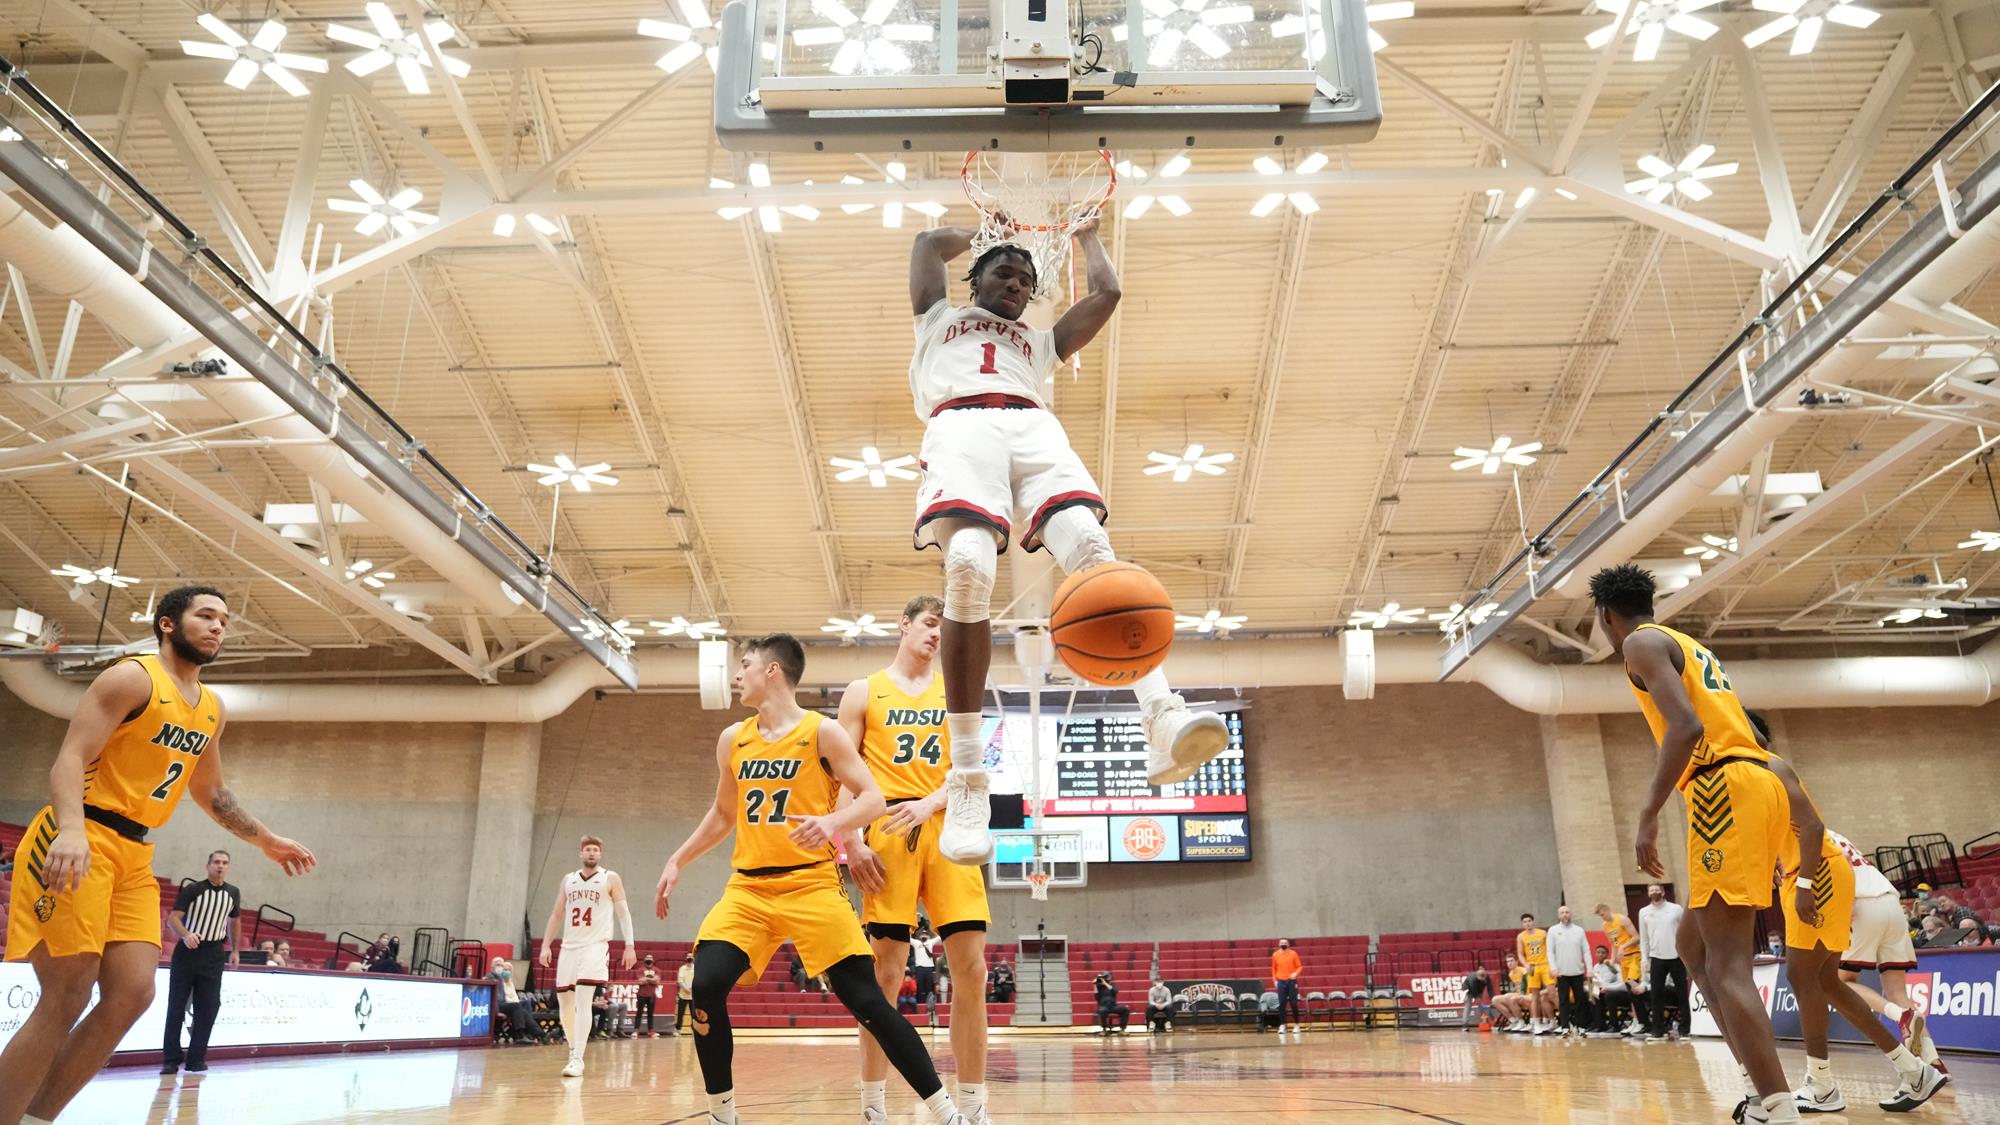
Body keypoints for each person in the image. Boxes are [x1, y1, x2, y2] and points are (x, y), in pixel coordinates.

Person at [905, 220, 1229, 865]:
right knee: (968, 567)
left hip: (1033, 429)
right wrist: (993, 227)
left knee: (1091, 550)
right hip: (962, 425)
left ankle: (1161, 714)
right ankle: (969, 775)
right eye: (1005, 275)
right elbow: (925, 245)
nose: (1017, 287)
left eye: (1026, 282)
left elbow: (1107, 295)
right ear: (979, 279)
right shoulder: (938, 316)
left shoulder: (1039, 341)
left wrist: (1086, 238)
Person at [0, 585, 315, 1125]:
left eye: (224, 620)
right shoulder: (133, 677)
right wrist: (71, 830)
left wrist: (263, 839)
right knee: (68, 992)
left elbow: (211, 793)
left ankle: (36, 1118)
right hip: (81, 835)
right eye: (206, 616)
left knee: (133, 993)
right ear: (168, 623)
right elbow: (69, 758)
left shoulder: (210, 708)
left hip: (134, 853)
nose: (219, 627)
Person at [653, 634, 973, 1125]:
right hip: (749, 891)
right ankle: (723, 1114)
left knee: (869, 1002)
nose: (738, 676)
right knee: (706, 983)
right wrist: (678, 860)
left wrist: (832, 825)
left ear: (773, 671)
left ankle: (946, 1112)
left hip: (812, 884)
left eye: (745, 665)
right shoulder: (732, 739)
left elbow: (871, 797)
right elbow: (722, 813)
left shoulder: (821, 732)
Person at [1592, 563, 1801, 1123]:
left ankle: (1780, 1107)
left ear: (1606, 616)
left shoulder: (1638, 643)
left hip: (1721, 787)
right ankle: (1761, 1090)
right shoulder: (1683, 641)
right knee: (1694, 946)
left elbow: (1685, 727)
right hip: (1755, 781)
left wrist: (1647, 812)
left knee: (1729, 962)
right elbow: (1738, 728)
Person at [1735, 712, 1948, 1113]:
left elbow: (1813, 828)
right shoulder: (1751, 774)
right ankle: (1914, 1072)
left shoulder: (1767, 764)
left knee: (1803, 977)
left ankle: (1823, 1085)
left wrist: (1804, 884)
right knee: (1828, 982)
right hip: (1813, 874)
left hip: (1818, 875)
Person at [539, 835, 639, 1078]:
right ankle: (573, 1049)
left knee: (584, 999)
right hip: (569, 947)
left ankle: (577, 1059)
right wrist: (545, 946)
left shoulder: (610, 877)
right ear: (580, 854)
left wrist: (630, 945)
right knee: (565, 1004)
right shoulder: (568, 880)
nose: (591, 853)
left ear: (600, 854)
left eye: (595, 850)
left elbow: (623, 914)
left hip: (595, 945)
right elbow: (556, 915)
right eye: (587, 849)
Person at [161, 849, 242, 1074]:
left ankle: (196, 1059)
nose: (220, 866)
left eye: (225, 862)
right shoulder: (193, 890)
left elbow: (234, 922)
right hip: (188, 951)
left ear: (229, 867)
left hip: (214, 952)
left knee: (208, 1007)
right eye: (216, 862)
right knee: (177, 1005)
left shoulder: (233, 893)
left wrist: (235, 950)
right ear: (207, 866)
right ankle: (170, 1059)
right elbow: (173, 918)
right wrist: (186, 934)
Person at [1638, 883, 1689, 1040]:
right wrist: (1644, 958)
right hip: (1656, 957)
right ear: (1648, 894)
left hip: (1676, 956)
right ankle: (1658, 1030)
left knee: (1682, 994)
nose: (1654, 892)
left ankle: (1685, 1029)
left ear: (1663, 892)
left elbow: (1685, 931)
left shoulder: (1676, 909)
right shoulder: (1644, 912)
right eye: (1651, 890)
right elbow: (1644, 938)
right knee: (1656, 995)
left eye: (1657, 889)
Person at [1594, 901, 1647, 1035]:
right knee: (1629, 991)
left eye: (1603, 914)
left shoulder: (1622, 919)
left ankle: (1642, 1021)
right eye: (1600, 916)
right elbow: (1613, 944)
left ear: (1607, 910)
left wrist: (1623, 947)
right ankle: (1635, 1021)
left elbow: (1637, 937)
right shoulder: (1605, 925)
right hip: (1623, 960)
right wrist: (1612, 960)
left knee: (1634, 987)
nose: (1603, 917)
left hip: (1634, 956)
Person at [1546, 905, 1594, 1041]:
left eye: (1567, 912)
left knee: (1580, 1001)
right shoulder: (1553, 931)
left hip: (1577, 972)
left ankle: (1581, 1027)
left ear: (1570, 914)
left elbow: (1586, 950)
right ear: (1558, 915)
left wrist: (1589, 969)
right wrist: (1553, 968)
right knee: (1563, 1001)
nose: (1565, 914)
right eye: (1562, 912)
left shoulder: (1579, 931)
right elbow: (1550, 951)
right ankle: (1565, 1027)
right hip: (1561, 973)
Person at [489, 957, 547, 1044]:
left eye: (501, 965)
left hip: (504, 1004)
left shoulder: (501, 979)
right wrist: (497, 1011)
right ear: (492, 966)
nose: (500, 968)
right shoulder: (491, 978)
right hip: (496, 1006)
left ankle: (538, 1034)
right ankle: (522, 1034)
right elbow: (492, 998)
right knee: (517, 1006)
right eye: (498, 965)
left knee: (524, 1006)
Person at [1515, 913, 1555, 1034]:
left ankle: (1558, 1021)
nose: (1527, 923)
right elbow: (1520, 954)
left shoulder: (1542, 933)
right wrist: (1526, 965)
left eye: (1529, 921)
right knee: (1535, 997)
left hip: (1545, 965)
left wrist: (1553, 965)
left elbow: (1550, 949)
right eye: (1525, 921)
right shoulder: (1521, 937)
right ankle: (1536, 1023)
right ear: (1523, 924)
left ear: (1533, 922)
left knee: (1552, 992)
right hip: (1532, 967)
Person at [1271, 938, 1303, 1032]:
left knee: (1293, 1003)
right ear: (1278, 944)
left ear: (1288, 945)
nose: (1283, 944)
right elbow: (1273, 968)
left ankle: (1297, 1025)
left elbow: (1300, 967)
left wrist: (1295, 974)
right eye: (1282, 943)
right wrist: (1275, 980)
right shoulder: (1275, 955)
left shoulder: (1293, 954)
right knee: (1281, 1004)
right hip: (1280, 981)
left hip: (1291, 981)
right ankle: (1282, 1025)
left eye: (1285, 943)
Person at [1493, 954, 1532, 1031]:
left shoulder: (1523, 971)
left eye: (1511, 961)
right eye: (1507, 962)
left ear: (1517, 962)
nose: (1509, 963)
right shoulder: (1510, 974)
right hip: (1519, 995)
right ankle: (1513, 1021)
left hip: (1528, 995)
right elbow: (1518, 988)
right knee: (1495, 1000)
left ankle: (1521, 1022)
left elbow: (1525, 988)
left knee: (1510, 997)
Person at [1459, 966, 1496, 1030]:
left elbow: (1490, 989)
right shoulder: (1472, 979)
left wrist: (1493, 998)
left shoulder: (1487, 977)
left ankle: (1484, 1021)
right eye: (1480, 980)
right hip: (1468, 990)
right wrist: (1477, 998)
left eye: (1483, 980)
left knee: (1481, 1006)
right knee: (1468, 1006)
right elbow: (1473, 989)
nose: (1482, 981)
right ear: (1477, 976)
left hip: (1479, 990)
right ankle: (1465, 1024)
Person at [637, 955, 662, 1038]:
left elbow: (657, 981)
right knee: (639, 1013)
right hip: (641, 995)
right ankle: (636, 1031)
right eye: (647, 959)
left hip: (652, 995)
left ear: (653, 960)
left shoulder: (657, 970)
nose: (649, 961)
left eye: (650, 959)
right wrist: (652, 979)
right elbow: (640, 981)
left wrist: (646, 979)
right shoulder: (640, 970)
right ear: (644, 960)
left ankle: (650, 1031)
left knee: (650, 1014)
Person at [676, 952, 695, 1035]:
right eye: (688, 956)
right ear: (686, 958)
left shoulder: (696, 968)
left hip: (693, 996)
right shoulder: (682, 969)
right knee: (680, 1013)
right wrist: (686, 989)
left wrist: (692, 988)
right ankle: (678, 1029)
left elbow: (697, 979)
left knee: (694, 1014)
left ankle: (694, 1030)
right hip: (683, 995)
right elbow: (680, 981)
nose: (689, 958)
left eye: (691, 956)